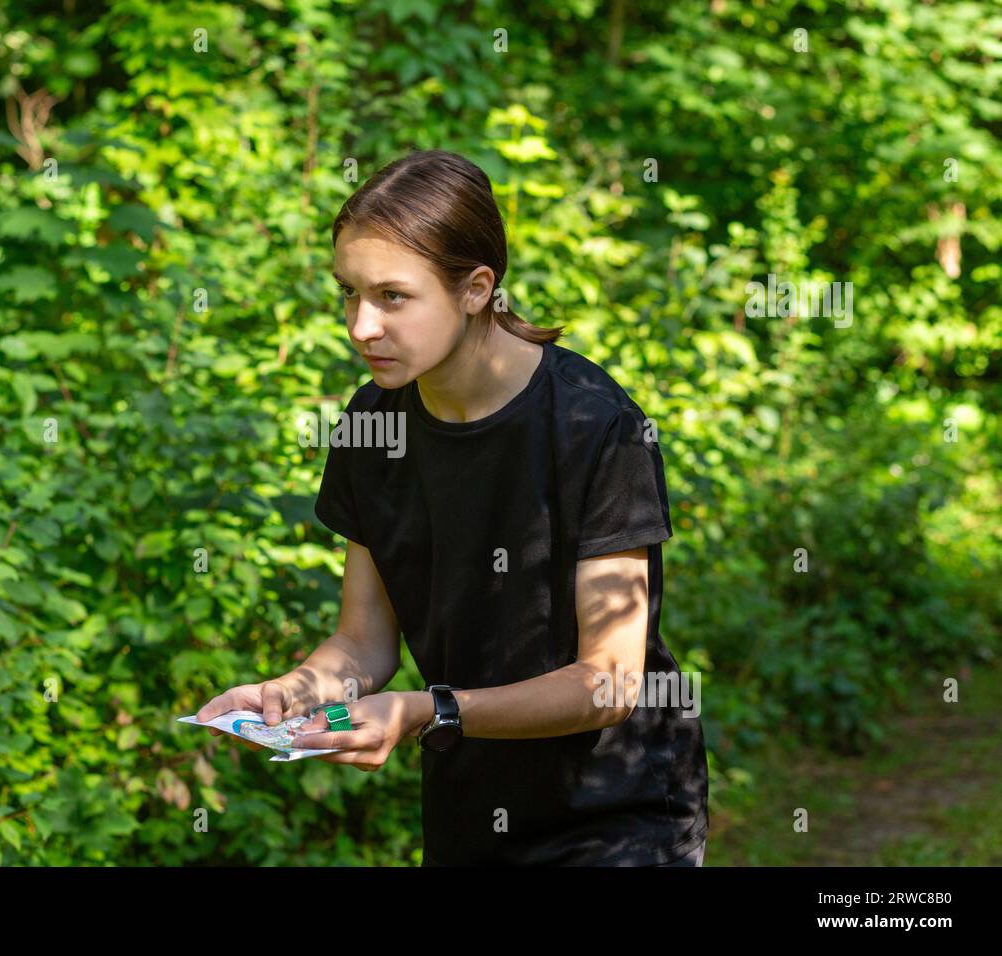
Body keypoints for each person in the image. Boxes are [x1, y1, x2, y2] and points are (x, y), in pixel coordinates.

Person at [195, 148, 709, 866]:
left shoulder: (596, 425)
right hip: (471, 805)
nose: (360, 326)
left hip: (616, 813)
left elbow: (611, 681)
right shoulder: (374, 424)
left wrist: (427, 710)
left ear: (475, 289)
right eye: (348, 293)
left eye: (392, 297)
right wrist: (288, 694)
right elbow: (364, 643)